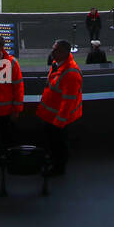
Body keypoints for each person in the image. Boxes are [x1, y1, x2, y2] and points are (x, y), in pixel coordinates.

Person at [36, 40, 83, 177]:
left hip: (58, 119)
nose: (52, 52)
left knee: (59, 144)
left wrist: (59, 122)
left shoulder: (71, 73)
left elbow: (68, 102)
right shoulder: (58, 64)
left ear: (64, 52)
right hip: (52, 115)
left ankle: (58, 168)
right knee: (54, 143)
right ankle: (54, 162)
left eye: (56, 50)